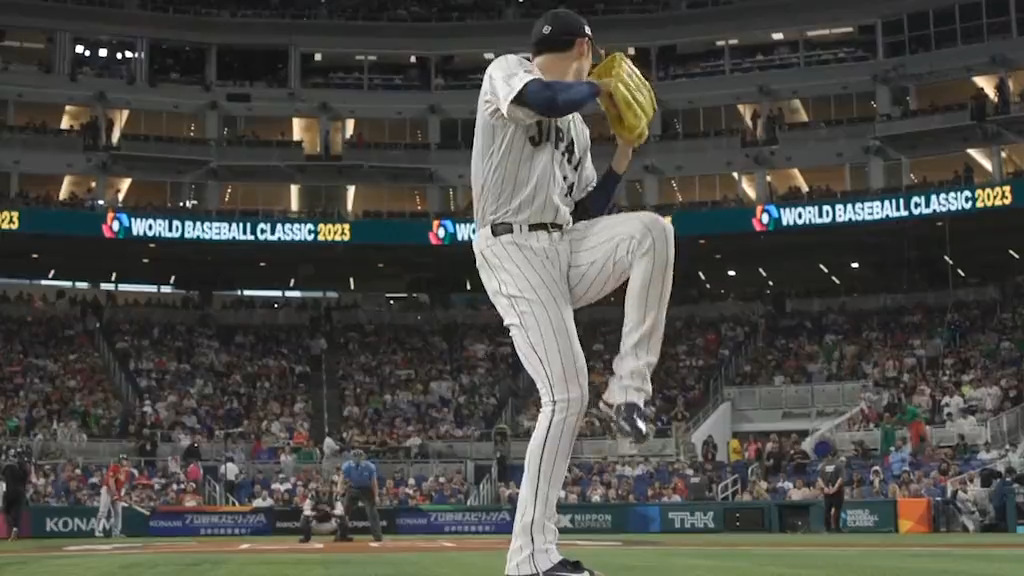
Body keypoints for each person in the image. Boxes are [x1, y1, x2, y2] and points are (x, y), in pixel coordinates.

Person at [470, 9, 674, 576]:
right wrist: (601, 87)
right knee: (564, 395)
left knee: (652, 233)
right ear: (584, 46)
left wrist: (622, 157)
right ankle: (531, 559)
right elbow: (545, 99)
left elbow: (585, 209)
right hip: (511, 246)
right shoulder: (507, 71)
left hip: (563, 244)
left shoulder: (579, 129)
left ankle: (629, 390)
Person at [338, 450, 382, 541]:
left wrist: (376, 496)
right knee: (344, 511)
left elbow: (374, 483)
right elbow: (341, 478)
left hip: (366, 490)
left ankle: (377, 536)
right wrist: (339, 489)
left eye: (359, 457)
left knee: (372, 511)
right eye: (355, 457)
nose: (357, 459)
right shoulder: (347, 465)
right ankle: (342, 535)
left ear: (363, 457)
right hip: (352, 489)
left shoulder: (370, 466)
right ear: (352, 457)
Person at [95, 454, 131, 538]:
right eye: (123, 460)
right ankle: (98, 530)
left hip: (117, 491)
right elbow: (111, 481)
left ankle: (116, 532)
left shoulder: (127, 471)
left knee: (118, 512)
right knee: (103, 511)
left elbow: (125, 484)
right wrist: (114, 494)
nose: (124, 461)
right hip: (107, 490)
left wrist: (121, 495)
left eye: (126, 460)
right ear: (120, 460)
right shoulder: (115, 467)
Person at [1, 447, 32, 542]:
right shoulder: (22, 469)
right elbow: (26, 474)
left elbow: (3, 473)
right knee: (16, 512)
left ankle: (13, 527)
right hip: (19, 492)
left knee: (6, 510)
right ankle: (15, 528)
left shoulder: (7, 468)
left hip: (10, 492)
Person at [818, 450, 845, 533]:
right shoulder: (839, 465)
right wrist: (835, 488)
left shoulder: (823, 465)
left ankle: (827, 528)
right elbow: (841, 478)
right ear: (836, 456)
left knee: (827, 510)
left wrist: (825, 488)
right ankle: (837, 528)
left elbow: (819, 479)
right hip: (837, 491)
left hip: (827, 491)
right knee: (837, 509)